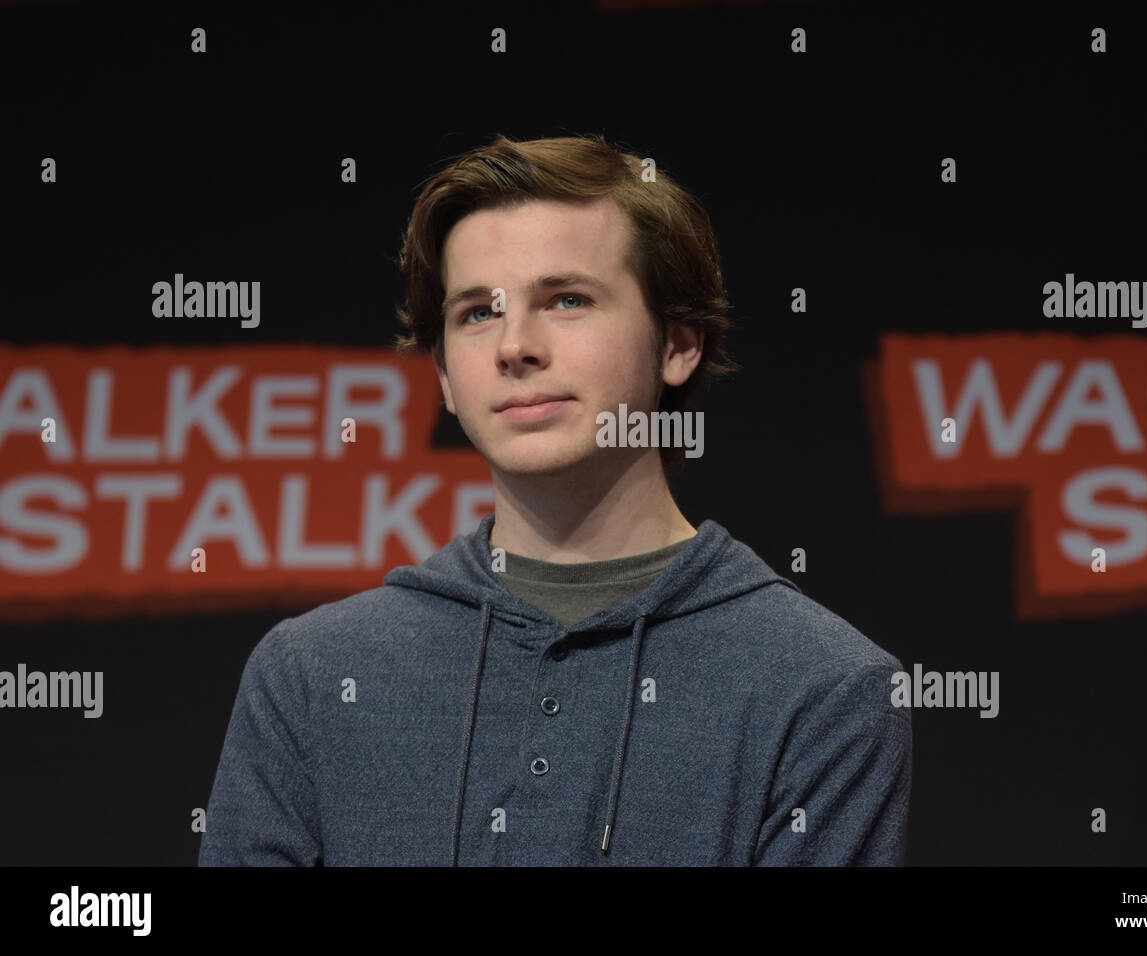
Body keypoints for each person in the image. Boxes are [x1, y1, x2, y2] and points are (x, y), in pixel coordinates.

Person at [198, 133, 911, 866]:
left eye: (566, 300)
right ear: (444, 374)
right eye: (478, 312)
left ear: (679, 344)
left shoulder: (823, 686)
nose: (515, 346)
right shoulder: (310, 676)